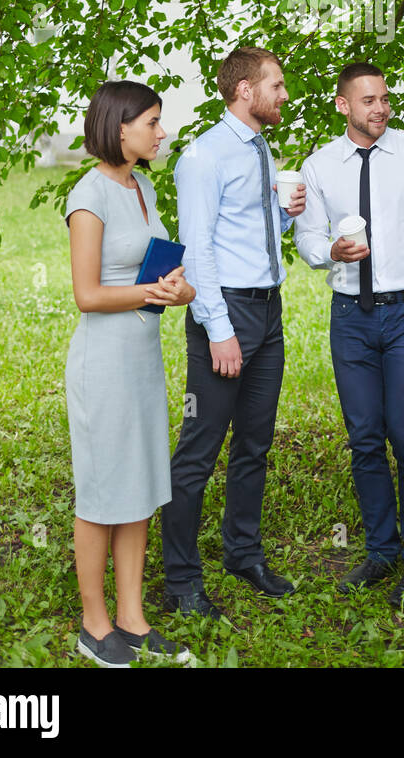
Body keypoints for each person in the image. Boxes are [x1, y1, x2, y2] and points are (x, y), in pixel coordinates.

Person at [294, 62, 404, 606]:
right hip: (351, 317)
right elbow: (308, 239)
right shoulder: (319, 166)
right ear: (343, 105)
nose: (380, 108)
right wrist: (329, 253)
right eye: (368, 100)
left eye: (385, 98)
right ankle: (381, 551)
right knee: (364, 439)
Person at [161, 46, 306, 615]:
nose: (284, 95)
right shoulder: (204, 156)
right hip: (227, 316)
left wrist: (285, 212)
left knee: (255, 445)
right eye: (276, 84)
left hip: (268, 312)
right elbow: (197, 253)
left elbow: (247, 231)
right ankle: (181, 582)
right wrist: (219, 330)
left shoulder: (261, 148)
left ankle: (242, 553)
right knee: (198, 451)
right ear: (245, 90)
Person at [65, 80, 196, 668]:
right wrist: (151, 291)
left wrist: (180, 288)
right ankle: (94, 625)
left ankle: (132, 617)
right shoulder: (88, 196)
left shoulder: (142, 184)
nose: (161, 131)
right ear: (121, 128)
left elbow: (164, 263)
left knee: (140, 486)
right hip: (104, 362)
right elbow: (87, 294)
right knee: (101, 493)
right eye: (153, 121)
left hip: (143, 355)